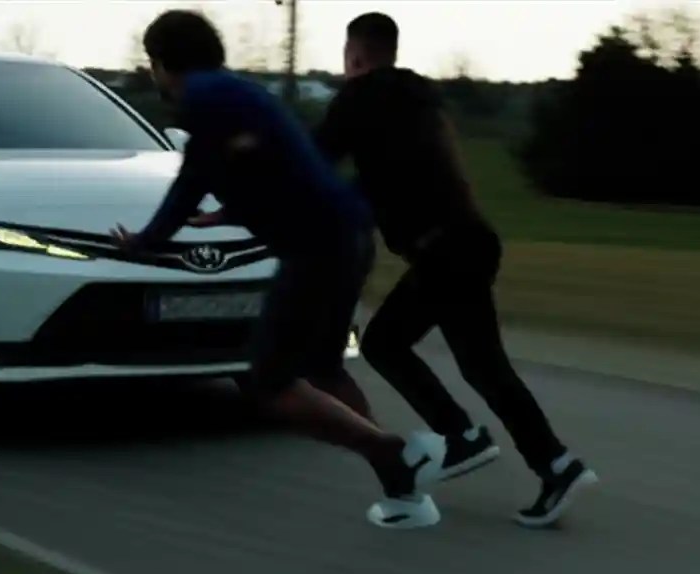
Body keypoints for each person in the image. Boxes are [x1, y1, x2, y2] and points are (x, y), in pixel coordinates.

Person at [110, 10, 458, 530]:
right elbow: (277, 164)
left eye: (152, 65)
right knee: (322, 366)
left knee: (268, 380)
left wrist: (145, 242)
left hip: (317, 247)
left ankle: (399, 455)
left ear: (160, 61)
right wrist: (235, 210)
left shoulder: (203, 97)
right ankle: (404, 491)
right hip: (344, 236)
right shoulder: (237, 92)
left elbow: (192, 178)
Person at [313, 12, 599, 528]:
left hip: (441, 251)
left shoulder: (357, 99)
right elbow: (385, 177)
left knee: (383, 343)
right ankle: (556, 466)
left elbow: (311, 166)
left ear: (354, 54)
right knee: (484, 366)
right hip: (471, 241)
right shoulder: (419, 98)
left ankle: (464, 437)